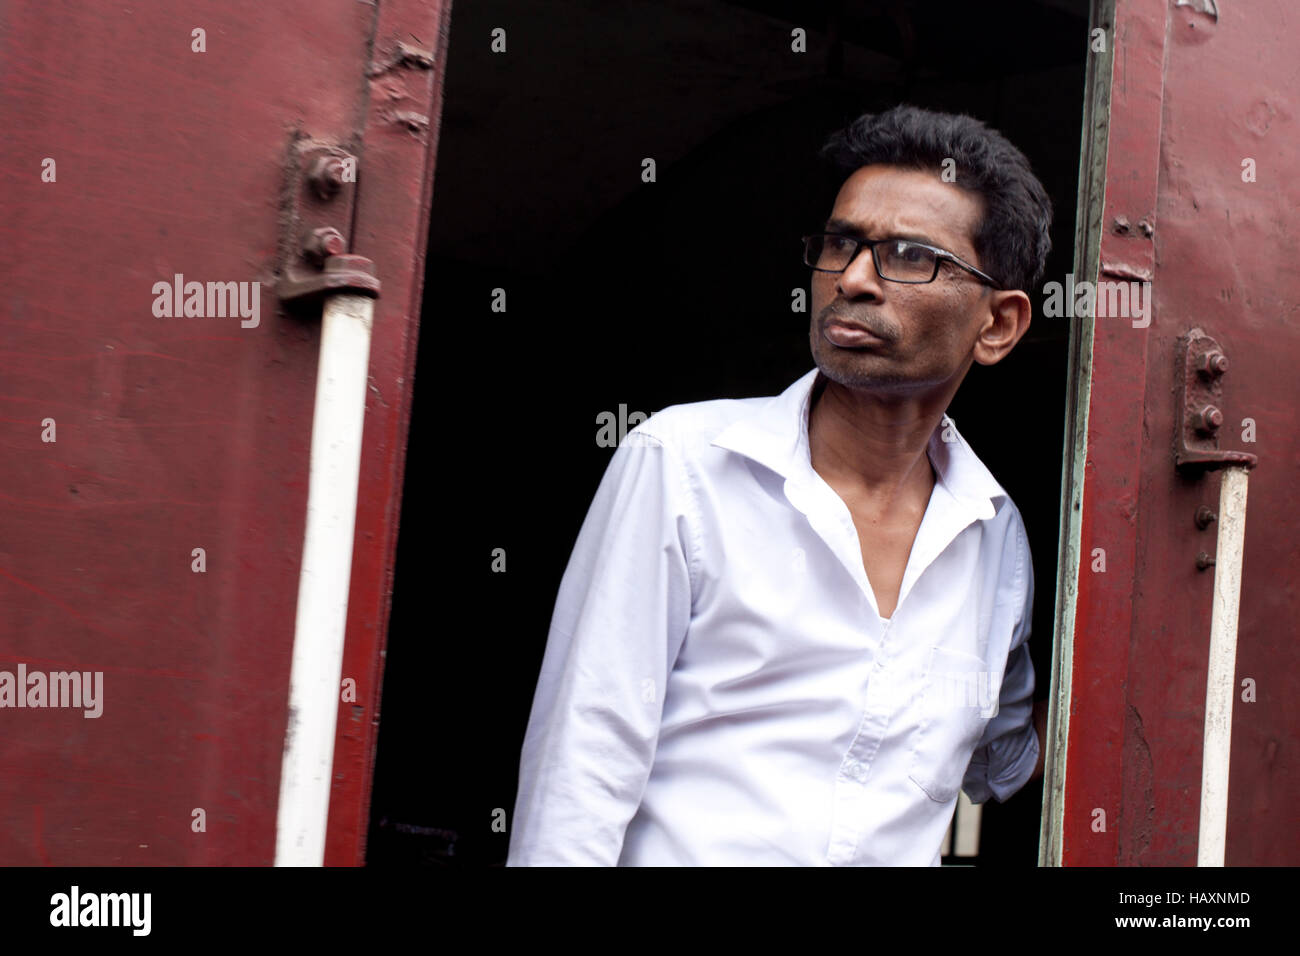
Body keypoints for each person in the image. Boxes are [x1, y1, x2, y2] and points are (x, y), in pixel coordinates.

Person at [508, 105, 1053, 866]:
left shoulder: (994, 537)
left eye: (908, 255)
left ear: (998, 325)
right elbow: (580, 773)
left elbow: (1003, 764)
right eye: (841, 243)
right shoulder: (683, 464)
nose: (855, 279)